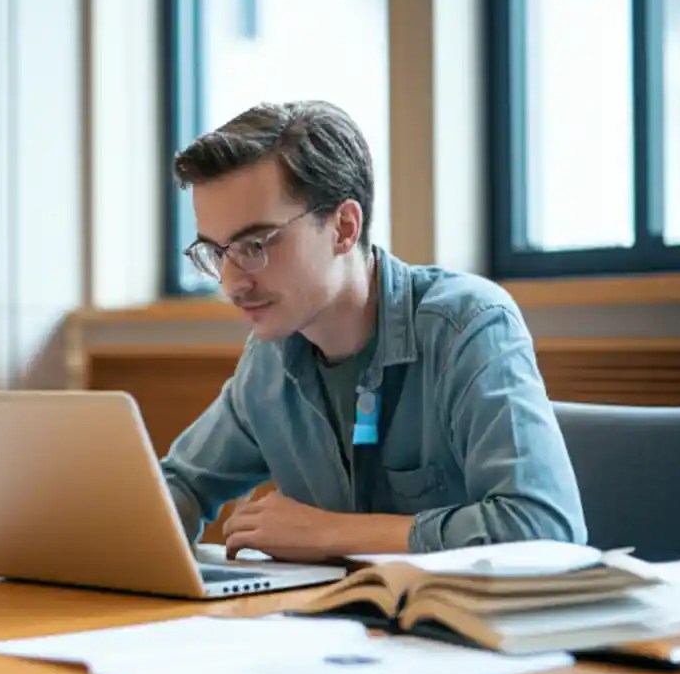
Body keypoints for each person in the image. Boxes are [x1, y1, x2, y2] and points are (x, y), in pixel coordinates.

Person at [161, 100, 586, 561]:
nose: (231, 282)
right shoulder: (271, 356)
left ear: (344, 228)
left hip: (465, 630)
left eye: (255, 245)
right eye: (216, 252)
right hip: (333, 628)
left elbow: (544, 529)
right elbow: (180, 484)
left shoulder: (467, 326)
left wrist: (329, 533)